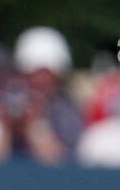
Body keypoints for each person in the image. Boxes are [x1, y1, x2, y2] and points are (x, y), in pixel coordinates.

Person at [8, 26, 83, 163]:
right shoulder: (8, 103)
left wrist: (36, 126)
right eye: (34, 74)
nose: (40, 80)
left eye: (47, 74)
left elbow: (59, 159)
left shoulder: (68, 112)